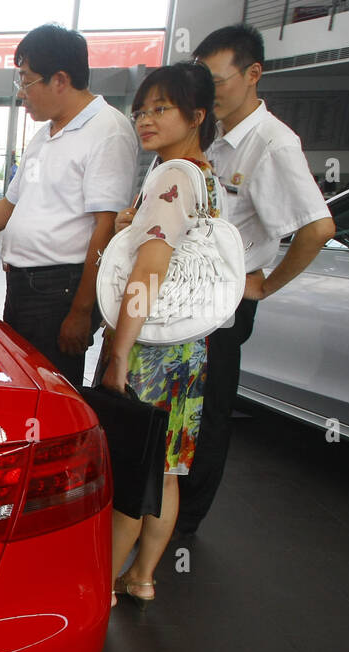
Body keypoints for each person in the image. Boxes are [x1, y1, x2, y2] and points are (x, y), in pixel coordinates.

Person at [175, 25, 335, 536]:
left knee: (208, 412)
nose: (209, 91)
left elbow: (318, 228)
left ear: (253, 74)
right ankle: (165, 512)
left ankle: (185, 523)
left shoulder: (272, 143)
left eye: (218, 80)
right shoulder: (219, 137)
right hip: (190, 297)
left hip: (225, 302)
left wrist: (263, 285)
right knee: (182, 405)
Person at [0, 24, 138, 387]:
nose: (21, 94)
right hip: (24, 286)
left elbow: (105, 228)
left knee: (50, 387)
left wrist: (81, 311)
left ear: (60, 79)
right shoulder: (46, 134)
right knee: (22, 381)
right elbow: (10, 205)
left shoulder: (108, 131)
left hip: (61, 291)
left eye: (26, 81)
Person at [101, 62, 225, 609]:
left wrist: (119, 352)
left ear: (196, 116)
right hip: (189, 347)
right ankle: (143, 577)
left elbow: (148, 269)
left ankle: (102, 582)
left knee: (133, 470)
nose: (145, 120)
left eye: (161, 108)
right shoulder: (206, 176)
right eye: (140, 110)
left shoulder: (170, 176)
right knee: (167, 468)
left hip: (150, 347)